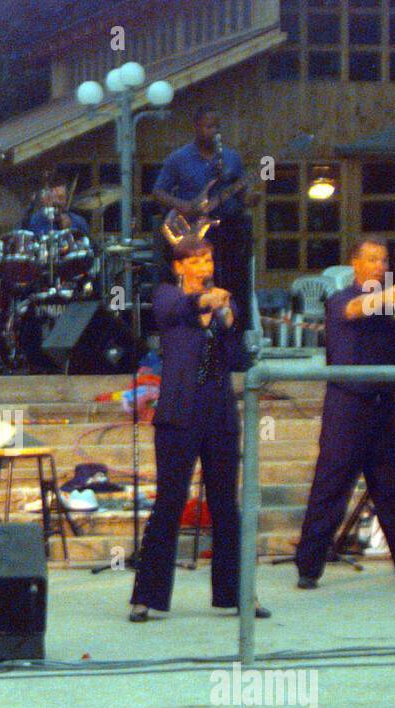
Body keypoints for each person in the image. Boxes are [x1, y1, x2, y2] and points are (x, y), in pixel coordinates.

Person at [129, 236, 269, 622]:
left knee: (226, 505)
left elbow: (235, 351)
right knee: (169, 502)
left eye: (207, 258)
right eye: (194, 260)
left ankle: (238, 594)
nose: (203, 265)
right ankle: (146, 597)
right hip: (179, 413)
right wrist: (207, 302)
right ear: (179, 267)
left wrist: (226, 317)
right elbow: (184, 308)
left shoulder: (226, 301)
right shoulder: (165, 297)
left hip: (219, 411)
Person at [294, 237, 395, 590]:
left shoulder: (392, 309)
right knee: (331, 487)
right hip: (348, 406)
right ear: (356, 263)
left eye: (384, 261)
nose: (379, 267)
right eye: (372, 260)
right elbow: (355, 309)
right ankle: (308, 567)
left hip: (383, 406)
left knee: (390, 491)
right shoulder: (342, 298)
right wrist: (384, 298)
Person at [152, 106, 257, 330]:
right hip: (194, 234)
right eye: (209, 126)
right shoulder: (179, 158)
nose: (214, 131)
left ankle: (233, 332)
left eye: (217, 127)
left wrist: (250, 199)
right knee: (198, 281)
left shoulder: (231, 158)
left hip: (228, 230)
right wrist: (184, 206)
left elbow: (240, 194)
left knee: (232, 282)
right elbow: (159, 192)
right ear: (197, 127)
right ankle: (198, 324)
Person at [23, 183, 89, 237]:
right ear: (45, 199)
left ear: (66, 200)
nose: (56, 201)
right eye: (52, 197)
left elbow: (88, 246)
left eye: (60, 198)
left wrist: (70, 230)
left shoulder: (78, 221)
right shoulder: (33, 221)